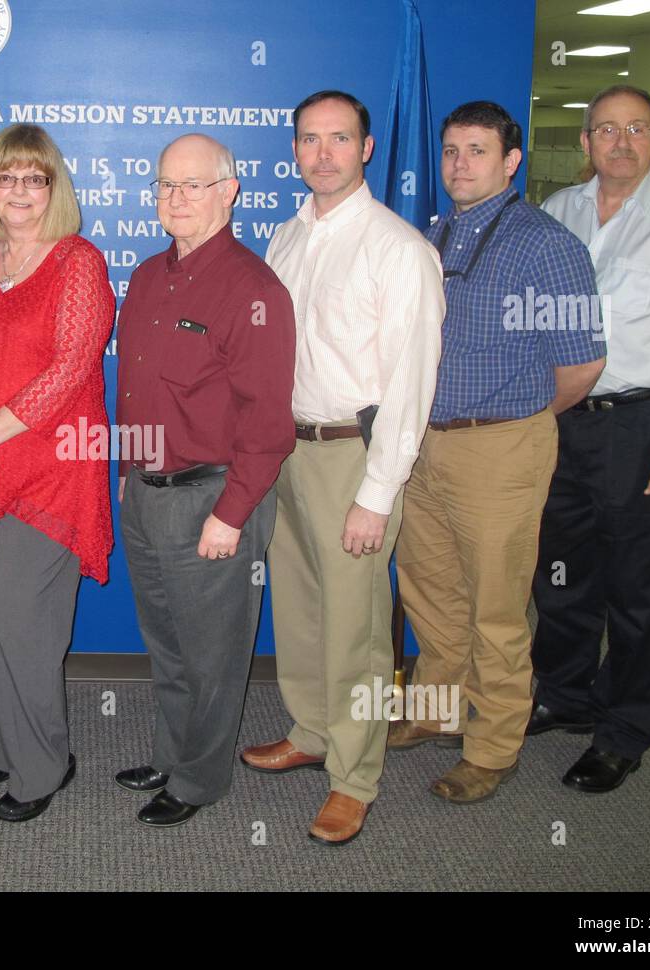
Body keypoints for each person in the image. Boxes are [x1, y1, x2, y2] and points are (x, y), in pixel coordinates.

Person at [239, 91, 444, 845]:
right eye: (309, 139)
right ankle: (313, 730)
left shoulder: (400, 249)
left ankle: (355, 777)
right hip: (285, 450)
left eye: (339, 139)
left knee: (356, 632)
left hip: (353, 457)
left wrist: (376, 493)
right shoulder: (286, 237)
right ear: (294, 149)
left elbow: (412, 385)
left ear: (365, 148)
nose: (322, 153)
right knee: (297, 607)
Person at [388, 101, 606, 804]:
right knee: (430, 590)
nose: (460, 165)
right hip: (426, 444)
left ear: (511, 162)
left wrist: (515, 425)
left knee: (496, 605)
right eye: (451, 151)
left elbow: (583, 366)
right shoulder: (434, 234)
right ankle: (438, 711)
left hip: (501, 447)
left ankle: (493, 743)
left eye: (477, 151)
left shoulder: (549, 246)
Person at [530, 85, 650, 792]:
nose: (620, 142)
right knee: (559, 572)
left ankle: (625, 728)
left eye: (636, 128)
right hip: (562, 422)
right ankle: (564, 692)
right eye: (606, 130)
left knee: (636, 590)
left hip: (641, 424)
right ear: (584, 143)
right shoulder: (558, 212)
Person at [0, 124, 114, 822]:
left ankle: (44, 764)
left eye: (34, 179)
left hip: (53, 471)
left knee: (22, 621)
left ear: (54, 187)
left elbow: (66, 374)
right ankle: (14, 742)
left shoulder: (78, 264)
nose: (19, 193)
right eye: (6, 178)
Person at [115, 133, 296, 828]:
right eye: (165, 185)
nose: (176, 198)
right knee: (167, 641)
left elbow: (268, 424)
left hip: (213, 500)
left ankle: (198, 779)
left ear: (230, 192)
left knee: (213, 654)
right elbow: (135, 391)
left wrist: (231, 513)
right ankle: (172, 750)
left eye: (193, 185)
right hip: (146, 493)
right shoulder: (148, 276)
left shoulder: (254, 291)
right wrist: (131, 471)